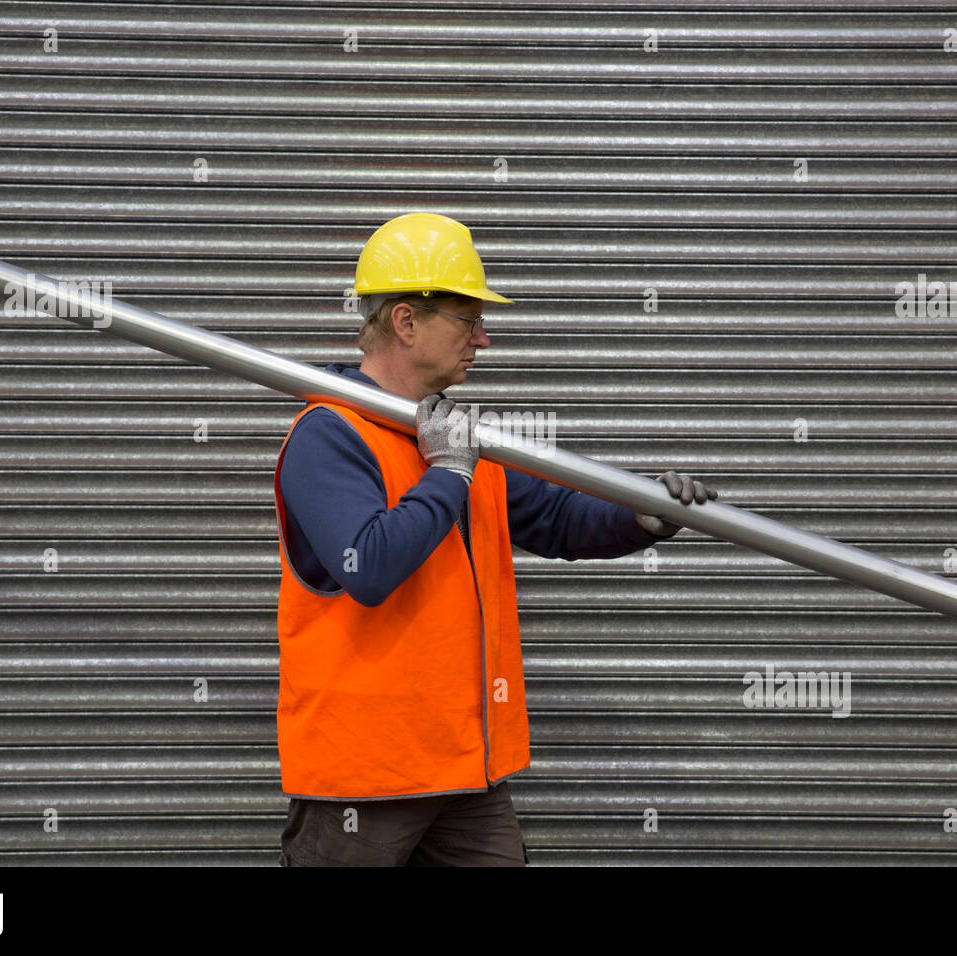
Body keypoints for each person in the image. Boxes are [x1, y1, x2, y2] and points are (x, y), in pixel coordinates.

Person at [272, 213, 716, 866]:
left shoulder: (454, 438)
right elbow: (367, 565)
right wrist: (448, 471)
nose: (483, 337)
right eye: (466, 317)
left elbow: (556, 518)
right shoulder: (331, 434)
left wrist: (643, 517)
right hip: (363, 782)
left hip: (462, 772)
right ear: (405, 321)